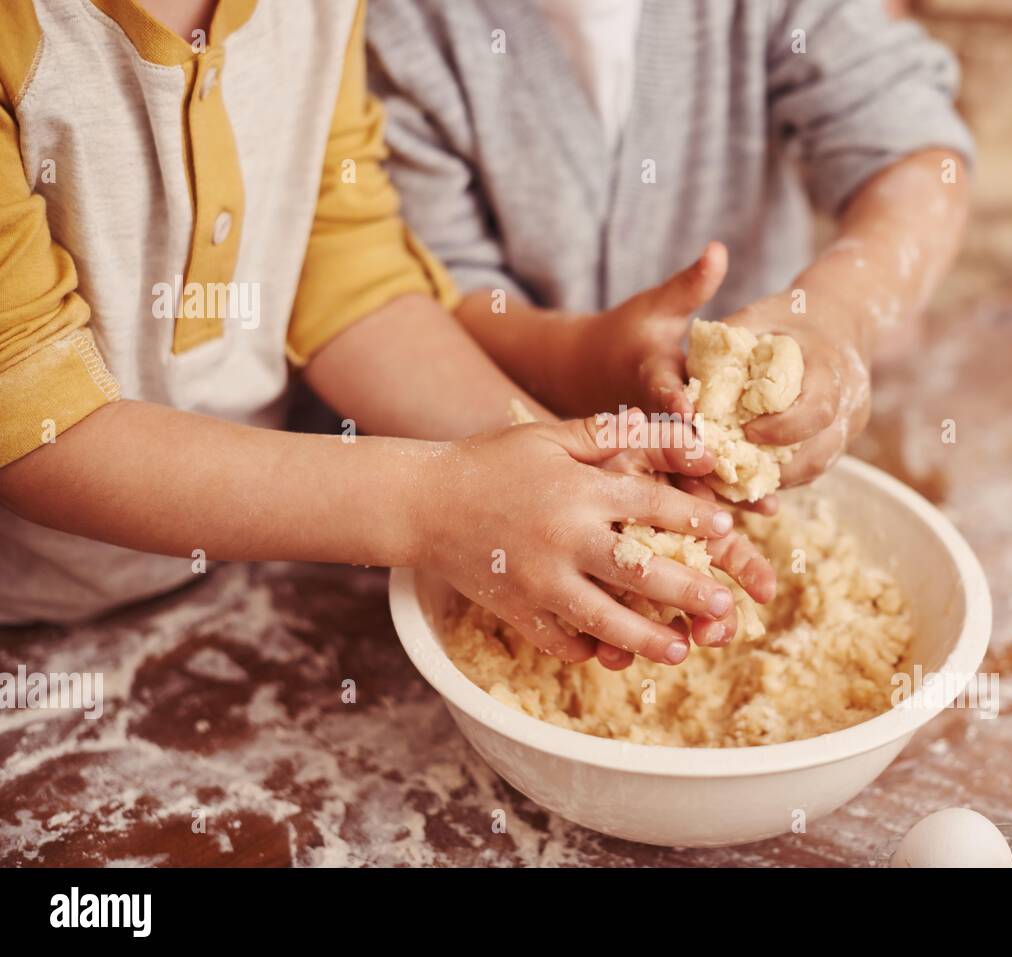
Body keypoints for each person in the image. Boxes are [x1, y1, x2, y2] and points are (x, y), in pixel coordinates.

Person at [0, 0, 773, 669]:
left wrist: (578, 485)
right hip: (25, 614)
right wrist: (435, 505)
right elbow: (35, 416)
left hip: (229, 571)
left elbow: (344, 278)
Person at [366, 0, 973, 492]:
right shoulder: (401, 29)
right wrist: (577, 360)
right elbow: (426, 292)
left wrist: (845, 310)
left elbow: (914, 154)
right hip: (500, 452)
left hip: (765, 461)